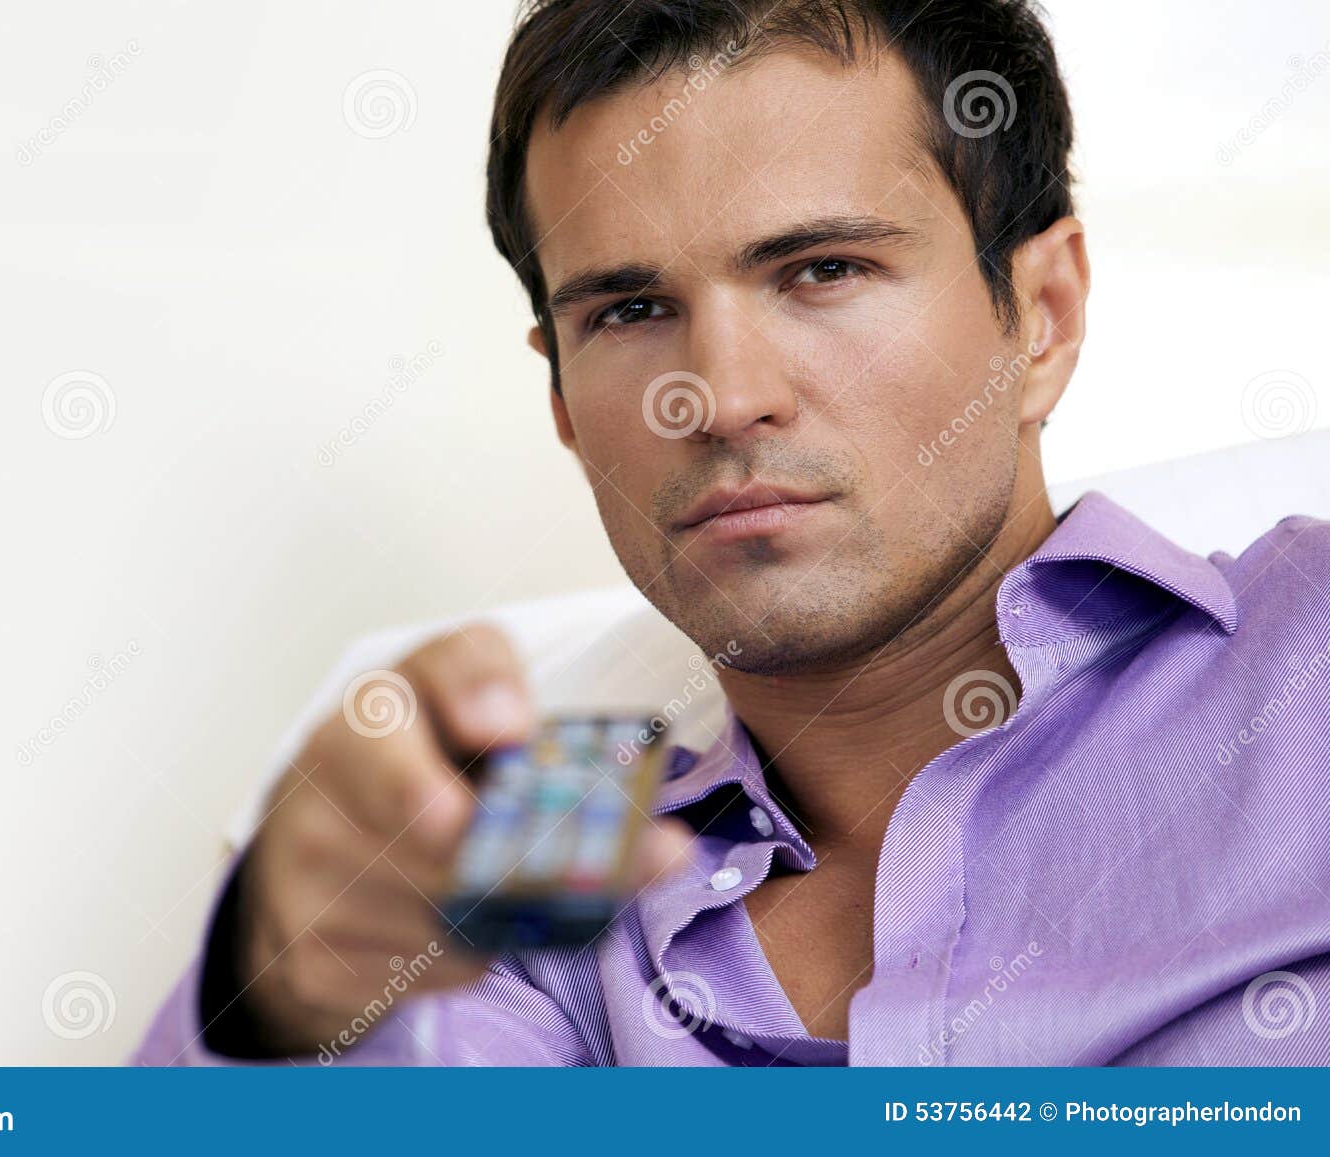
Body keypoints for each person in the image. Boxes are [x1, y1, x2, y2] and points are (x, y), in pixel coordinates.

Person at [136, 0, 1330, 1066]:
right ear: (559, 400)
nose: (714, 396)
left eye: (821, 269)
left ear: (1045, 316)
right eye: (631, 310)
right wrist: (278, 993)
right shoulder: (519, 859)